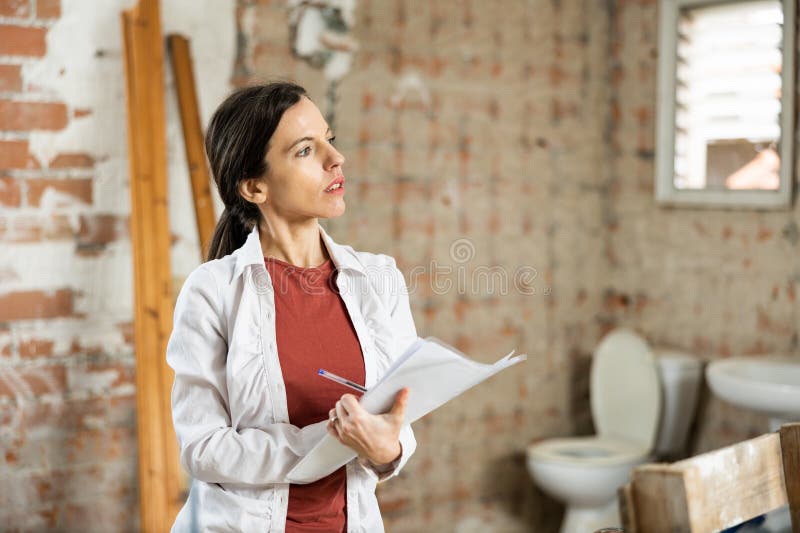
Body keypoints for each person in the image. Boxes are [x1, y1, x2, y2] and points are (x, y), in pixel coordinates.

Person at [167, 82, 418, 532]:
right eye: (305, 150)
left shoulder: (379, 280)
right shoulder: (212, 292)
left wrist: (387, 451)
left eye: (329, 140)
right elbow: (203, 448)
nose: (334, 159)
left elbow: (399, 424)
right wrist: (330, 440)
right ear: (254, 187)